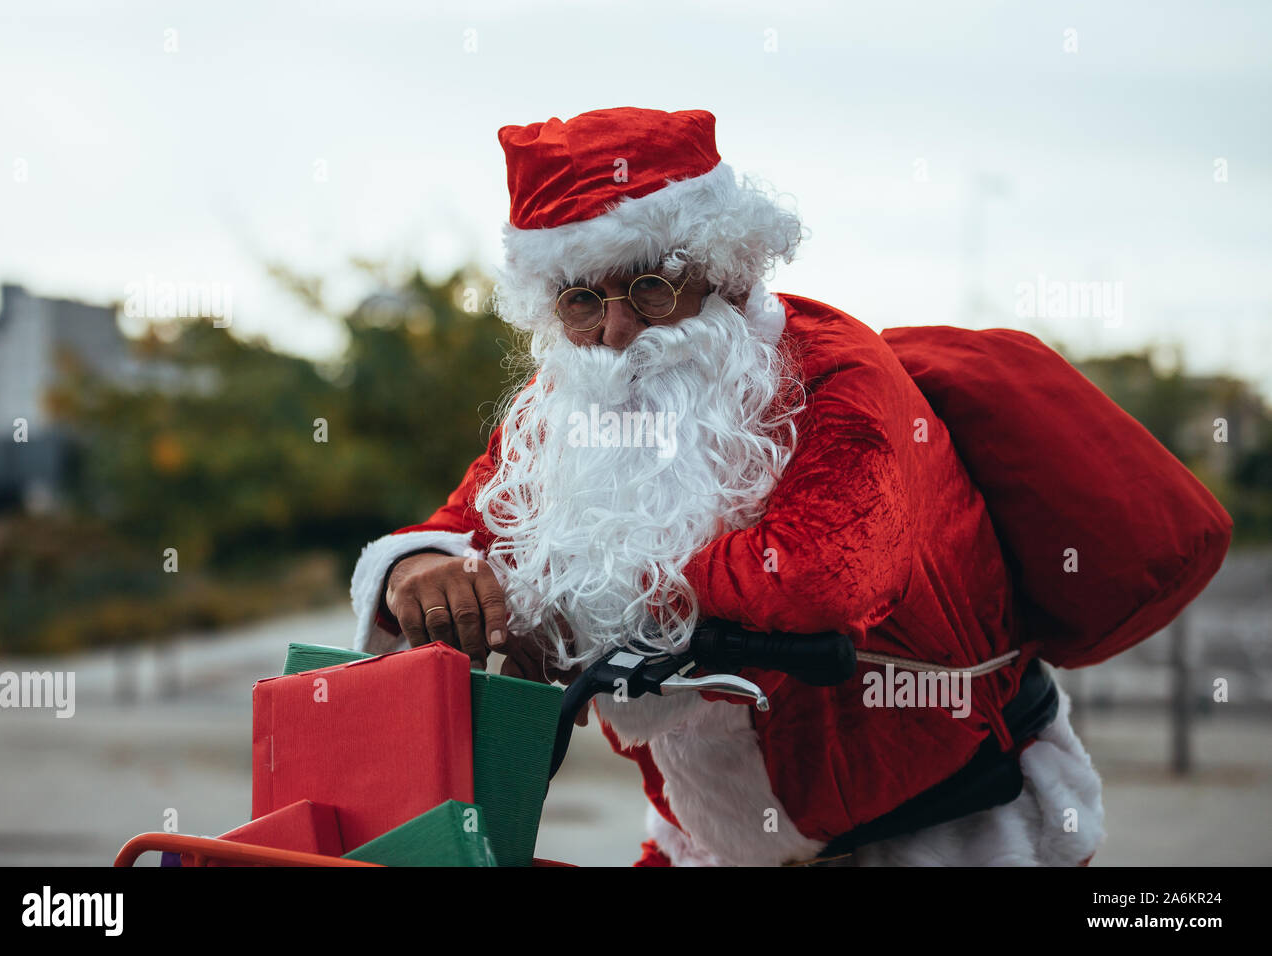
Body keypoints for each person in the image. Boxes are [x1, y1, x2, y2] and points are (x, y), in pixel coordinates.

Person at [349, 106, 1105, 866]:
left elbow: (820, 578)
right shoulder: (567, 399)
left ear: (725, 273)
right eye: (581, 301)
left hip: (944, 827)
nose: (615, 333)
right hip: (707, 840)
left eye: (648, 289)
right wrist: (416, 572)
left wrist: (566, 599)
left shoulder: (836, 373)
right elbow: (466, 525)